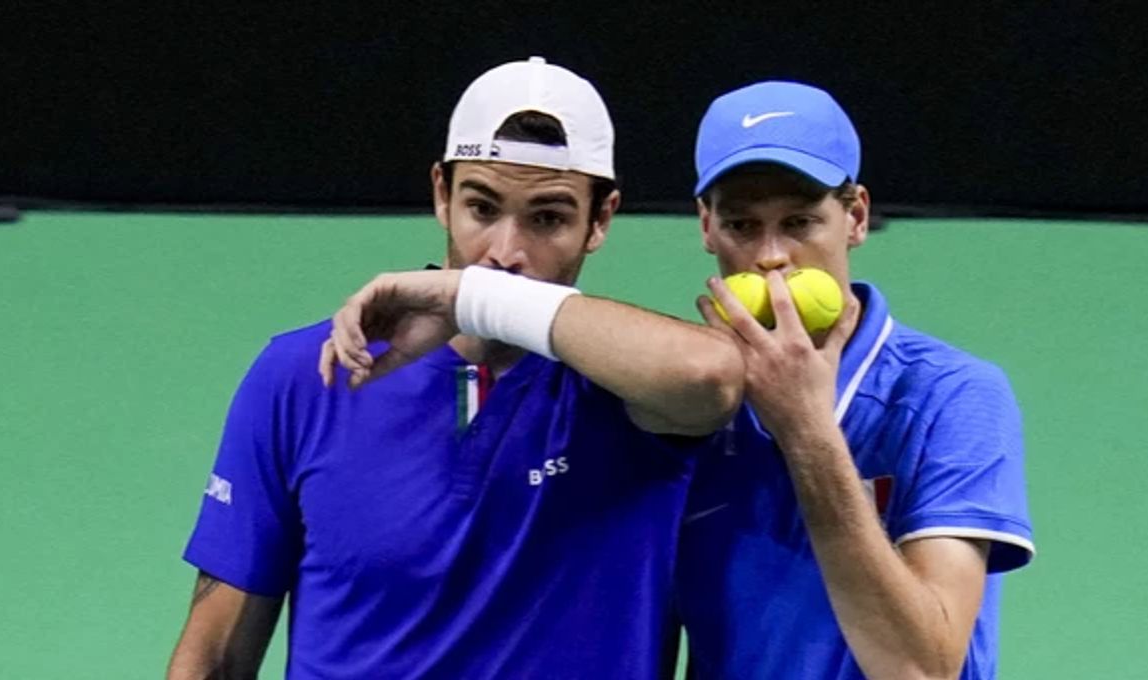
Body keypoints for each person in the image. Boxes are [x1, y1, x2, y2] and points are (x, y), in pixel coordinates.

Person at [167, 57, 747, 679]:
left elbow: (709, 377)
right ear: (442, 194)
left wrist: (472, 298)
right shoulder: (304, 376)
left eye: (547, 218)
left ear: (600, 219)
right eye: (483, 208)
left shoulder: (633, 388)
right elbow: (215, 657)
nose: (505, 252)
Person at [675, 81, 1035, 679]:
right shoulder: (683, 404)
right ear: (706, 226)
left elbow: (922, 669)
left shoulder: (952, 395)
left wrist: (806, 429)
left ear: (856, 217)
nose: (771, 256)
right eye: (742, 225)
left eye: (800, 221)